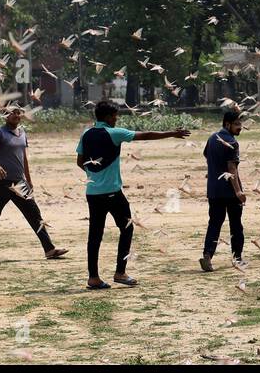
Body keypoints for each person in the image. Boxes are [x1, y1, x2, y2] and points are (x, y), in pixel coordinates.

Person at [77, 100, 190, 289]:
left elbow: (80, 161)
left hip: (92, 192)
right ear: (107, 117)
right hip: (112, 192)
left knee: (95, 235)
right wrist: (172, 133)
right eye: (114, 116)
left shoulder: (86, 134)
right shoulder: (115, 133)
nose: (116, 119)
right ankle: (120, 272)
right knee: (127, 229)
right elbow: (145, 135)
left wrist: (93, 176)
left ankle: (93, 277)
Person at [0, 107, 68, 263]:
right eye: (13, 112)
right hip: (1, 183)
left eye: (19, 112)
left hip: (19, 182)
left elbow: (24, 158)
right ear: (5, 116)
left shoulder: (22, 133)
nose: (17, 115)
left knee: (35, 215)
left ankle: (49, 249)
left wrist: (29, 180)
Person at [199, 109, 246, 272]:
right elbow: (231, 167)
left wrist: (214, 168)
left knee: (214, 224)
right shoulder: (232, 143)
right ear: (228, 124)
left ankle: (207, 255)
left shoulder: (212, 138)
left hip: (214, 190)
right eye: (237, 124)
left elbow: (206, 155)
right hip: (230, 191)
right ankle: (237, 258)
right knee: (236, 226)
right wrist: (238, 192)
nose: (240, 127)